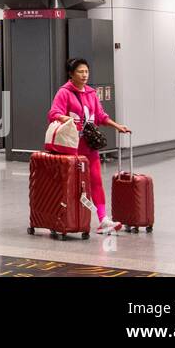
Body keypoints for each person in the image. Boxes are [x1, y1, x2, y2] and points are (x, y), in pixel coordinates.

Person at [49, 58, 131, 235]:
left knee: (96, 181)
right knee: (69, 184)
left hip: (89, 146)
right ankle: (62, 217)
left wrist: (117, 126)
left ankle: (103, 220)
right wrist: (67, 119)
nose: (84, 75)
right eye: (80, 72)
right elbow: (53, 113)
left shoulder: (92, 93)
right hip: (71, 147)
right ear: (71, 74)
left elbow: (100, 116)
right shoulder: (64, 93)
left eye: (86, 71)